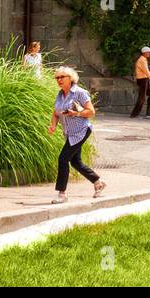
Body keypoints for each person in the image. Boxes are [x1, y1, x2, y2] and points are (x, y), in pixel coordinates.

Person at [47, 66, 104, 203]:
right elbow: (55, 113)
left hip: (81, 131)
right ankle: (98, 182)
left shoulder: (80, 92)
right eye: (57, 77)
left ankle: (62, 194)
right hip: (69, 132)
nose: (59, 80)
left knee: (63, 159)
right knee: (75, 162)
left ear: (70, 78)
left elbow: (91, 112)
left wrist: (76, 113)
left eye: (62, 77)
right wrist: (53, 125)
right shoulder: (60, 95)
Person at [130, 45, 150, 118]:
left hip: (144, 80)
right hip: (143, 80)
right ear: (145, 52)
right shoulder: (142, 60)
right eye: (149, 52)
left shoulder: (143, 59)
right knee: (142, 98)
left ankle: (148, 114)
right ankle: (134, 115)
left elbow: (147, 72)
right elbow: (147, 72)